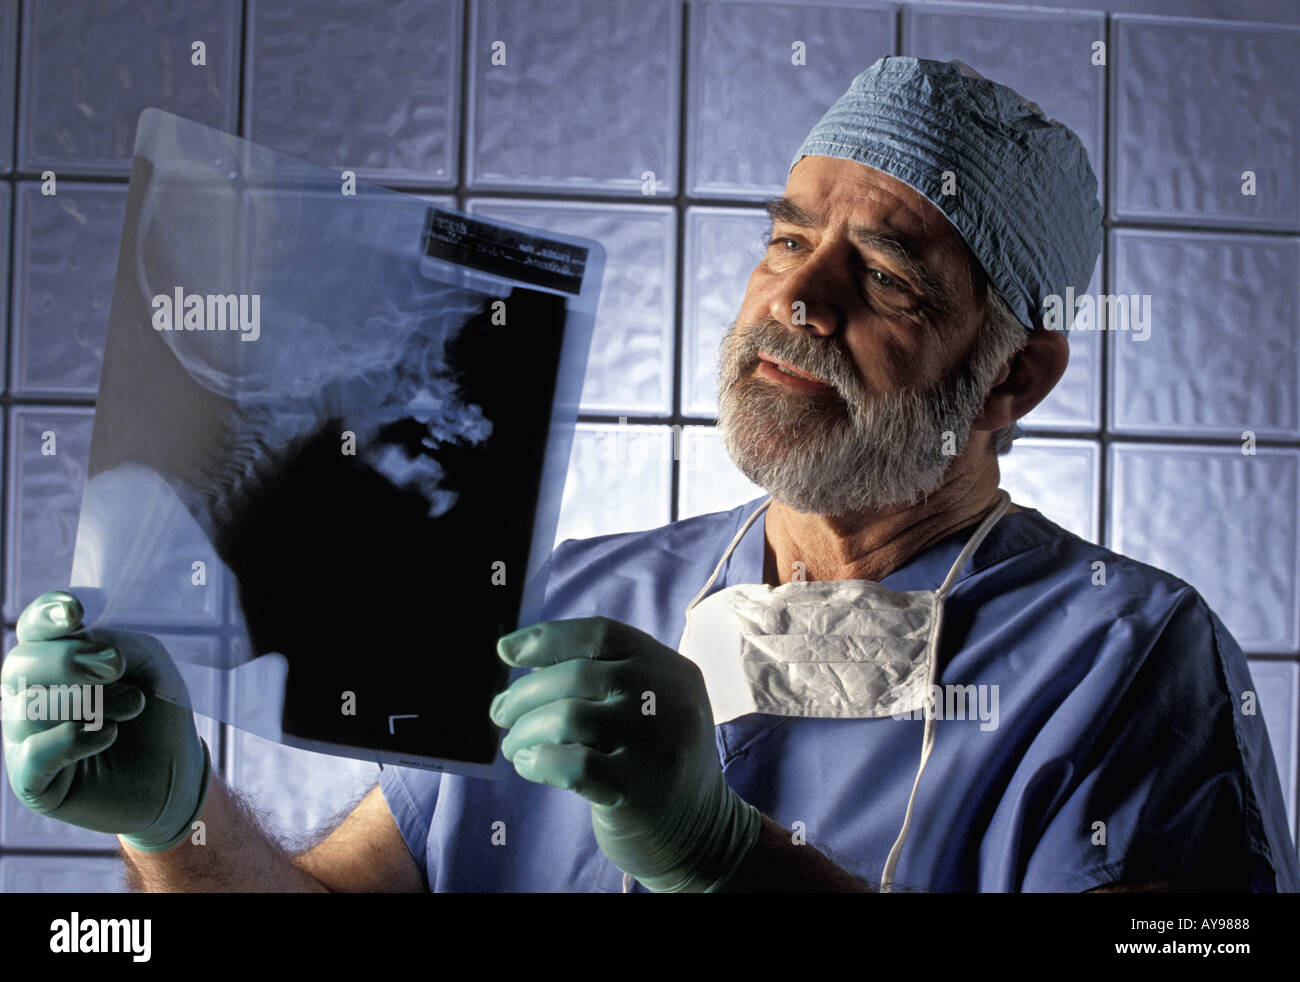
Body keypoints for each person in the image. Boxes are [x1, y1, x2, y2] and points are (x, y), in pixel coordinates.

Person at [4, 57, 1297, 893]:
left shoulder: (1129, 664)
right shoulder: (570, 599)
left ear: (1015, 380)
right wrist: (174, 816)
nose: (798, 296)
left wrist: (721, 856)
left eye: (886, 276)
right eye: (786, 241)